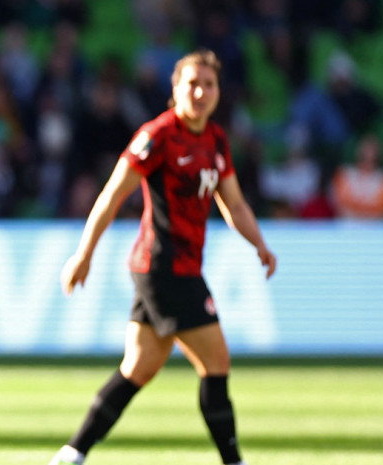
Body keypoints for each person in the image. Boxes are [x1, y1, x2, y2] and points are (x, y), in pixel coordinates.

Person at [49, 50, 276, 465]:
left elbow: (234, 205)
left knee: (138, 368)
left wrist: (259, 243)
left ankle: (72, 453)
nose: (201, 92)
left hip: (180, 267)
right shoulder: (157, 135)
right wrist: (84, 254)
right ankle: (234, 461)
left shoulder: (217, 140)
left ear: (218, 91)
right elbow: (112, 196)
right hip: (163, 266)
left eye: (208, 84)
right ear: (176, 90)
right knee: (216, 360)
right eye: (192, 83)